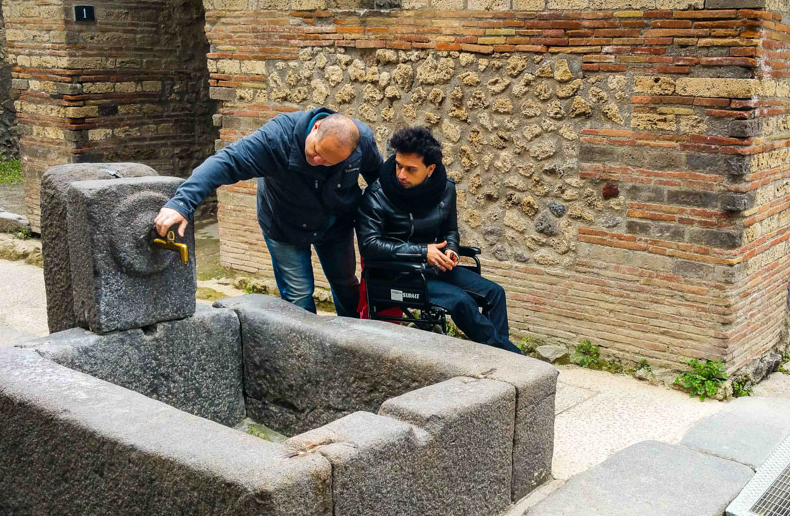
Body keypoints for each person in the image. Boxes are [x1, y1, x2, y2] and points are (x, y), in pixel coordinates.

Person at [154, 107, 382, 317]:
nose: (318, 161)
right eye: (315, 152)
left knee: (346, 285)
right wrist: (182, 203)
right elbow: (227, 161)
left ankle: (352, 341)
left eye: (329, 162)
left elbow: (379, 183)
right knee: (298, 296)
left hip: (335, 223)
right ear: (315, 128)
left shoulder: (363, 141)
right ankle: (305, 351)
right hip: (284, 225)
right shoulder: (277, 138)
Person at [357, 127, 521, 353]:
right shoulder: (377, 194)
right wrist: (423, 251)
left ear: (430, 169)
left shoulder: (445, 189)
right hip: (396, 273)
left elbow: (450, 231)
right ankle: (511, 357)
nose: (401, 174)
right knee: (461, 301)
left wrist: (452, 250)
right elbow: (369, 246)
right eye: (398, 165)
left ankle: (497, 355)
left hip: (435, 267)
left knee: (495, 293)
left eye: (410, 169)